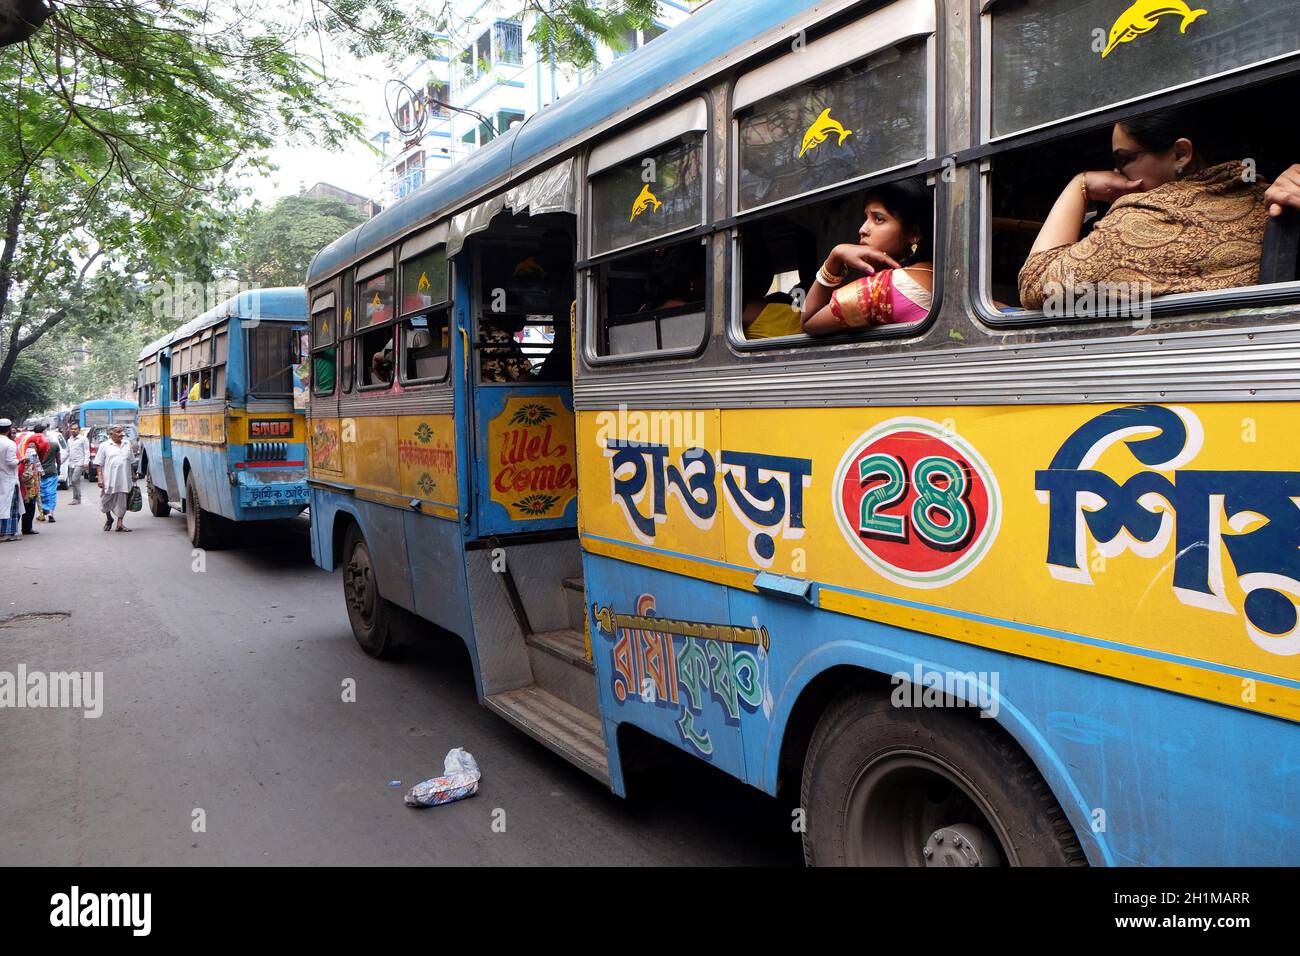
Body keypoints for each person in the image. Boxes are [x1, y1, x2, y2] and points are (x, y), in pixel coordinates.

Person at [1018, 107, 1268, 310]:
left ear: (1181, 153)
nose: (1116, 173)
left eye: (1124, 159)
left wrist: (1080, 184)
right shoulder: (1264, 198)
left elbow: (1035, 284)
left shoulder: (1142, 220)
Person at [801, 179, 934, 334]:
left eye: (878, 219)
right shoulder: (935, 272)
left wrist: (835, 258)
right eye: (866, 218)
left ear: (914, 234)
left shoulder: (880, 289)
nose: (862, 229)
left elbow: (808, 321)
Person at [94, 424, 135, 532]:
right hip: (109, 479)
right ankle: (109, 518)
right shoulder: (104, 445)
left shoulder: (127, 444)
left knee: (122, 501)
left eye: (122, 431)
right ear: (111, 434)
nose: (121, 434)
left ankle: (120, 523)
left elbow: (130, 461)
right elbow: (99, 463)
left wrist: (133, 474)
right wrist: (100, 478)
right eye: (118, 432)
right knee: (105, 501)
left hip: (124, 479)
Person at [16, 426, 47, 535]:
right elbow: (36, 469)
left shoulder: (21, 450)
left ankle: (17, 527)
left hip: (24, 483)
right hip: (29, 484)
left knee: (22, 505)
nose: (32, 445)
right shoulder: (31, 453)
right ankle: (26, 528)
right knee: (28, 506)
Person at [33, 423, 59, 523]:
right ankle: (50, 513)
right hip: (51, 471)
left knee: (40, 493)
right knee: (51, 493)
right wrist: (59, 468)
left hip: (37, 472)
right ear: (44, 432)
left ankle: (43, 512)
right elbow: (58, 459)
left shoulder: (32, 445)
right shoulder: (53, 444)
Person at [0, 419, 20, 543]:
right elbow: (11, 462)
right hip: (8, 479)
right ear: (8, 430)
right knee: (9, 506)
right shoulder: (10, 444)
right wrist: (22, 460)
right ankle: (6, 533)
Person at [65, 422, 89, 505]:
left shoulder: (83, 439)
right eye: (72, 429)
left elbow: (86, 451)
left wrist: (86, 462)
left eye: (75, 429)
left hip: (80, 462)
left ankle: (77, 498)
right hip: (71, 463)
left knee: (75, 480)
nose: (73, 430)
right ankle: (77, 498)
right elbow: (67, 452)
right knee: (74, 481)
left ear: (79, 430)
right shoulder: (69, 440)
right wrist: (61, 461)